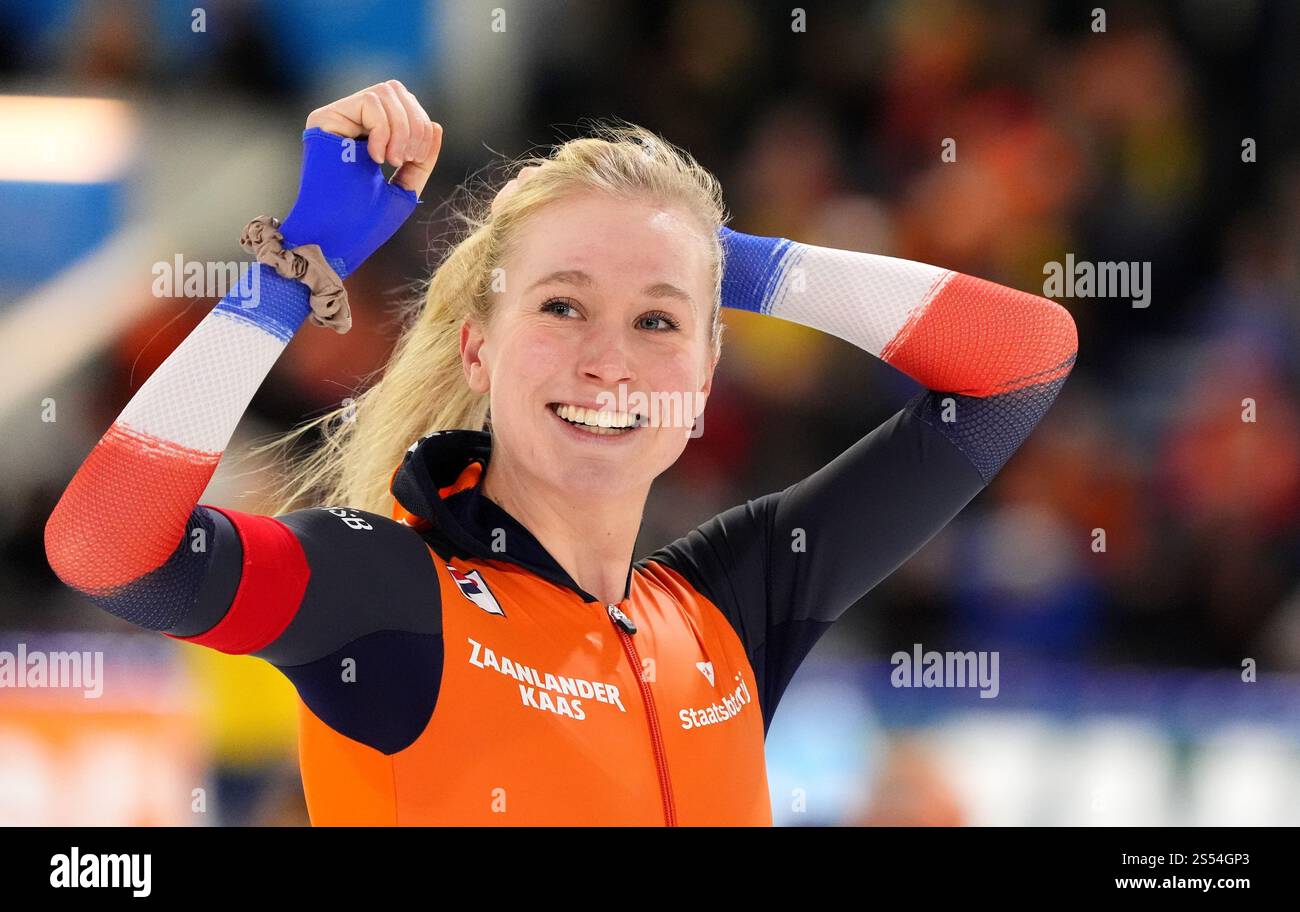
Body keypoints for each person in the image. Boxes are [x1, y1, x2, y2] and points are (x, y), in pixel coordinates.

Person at [44, 79, 1077, 826]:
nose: (606, 360)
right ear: (478, 348)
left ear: (709, 372)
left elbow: (1022, 361)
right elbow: (109, 547)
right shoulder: (389, 592)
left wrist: (718, 259)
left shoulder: (730, 606)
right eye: (563, 303)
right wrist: (291, 269)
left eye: (659, 321)